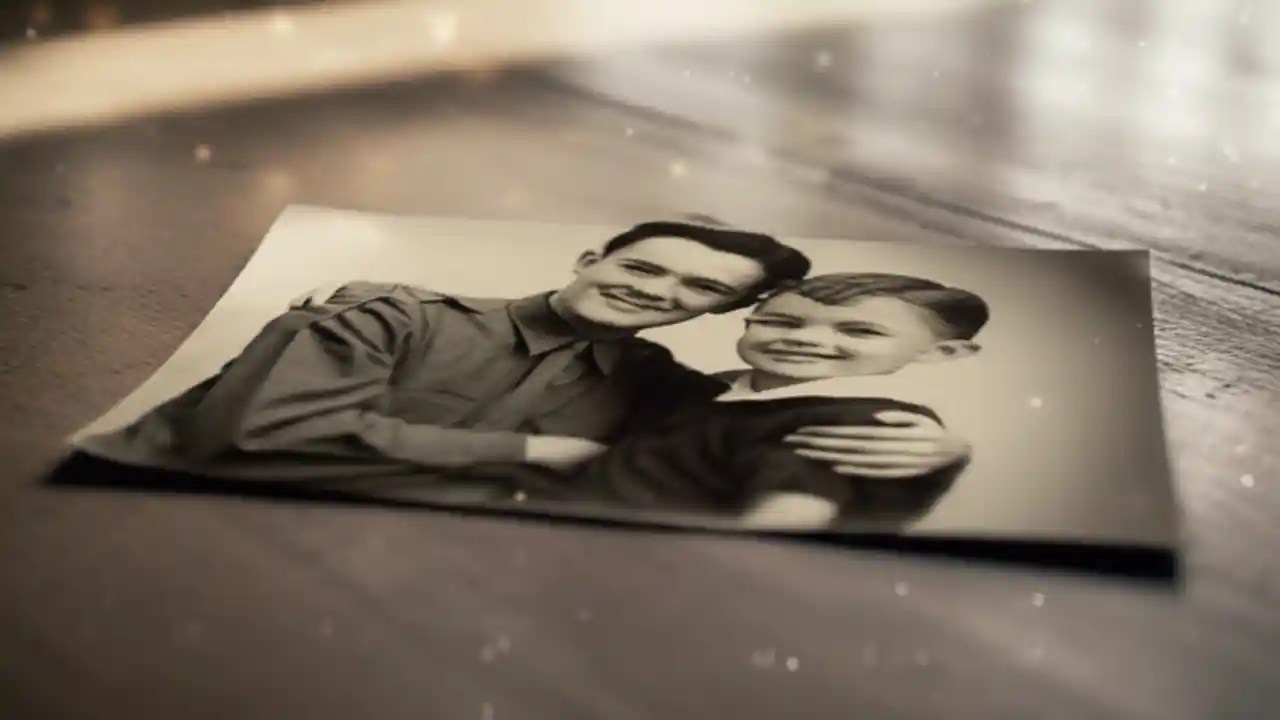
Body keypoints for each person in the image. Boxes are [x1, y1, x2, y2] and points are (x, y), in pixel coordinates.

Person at [75, 221, 971, 506]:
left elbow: (753, 426)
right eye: (640, 267)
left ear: (721, 312)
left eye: (698, 288)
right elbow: (256, 433)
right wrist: (533, 453)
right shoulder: (393, 315)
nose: (657, 291)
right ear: (591, 259)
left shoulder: (660, 386)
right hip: (153, 502)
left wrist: (941, 446)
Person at [542, 273, 988, 529]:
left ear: (941, 352)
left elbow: (790, 513)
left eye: (859, 331)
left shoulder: (869, 424)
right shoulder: (718, 391)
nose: (805, 340)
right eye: (778, 322)